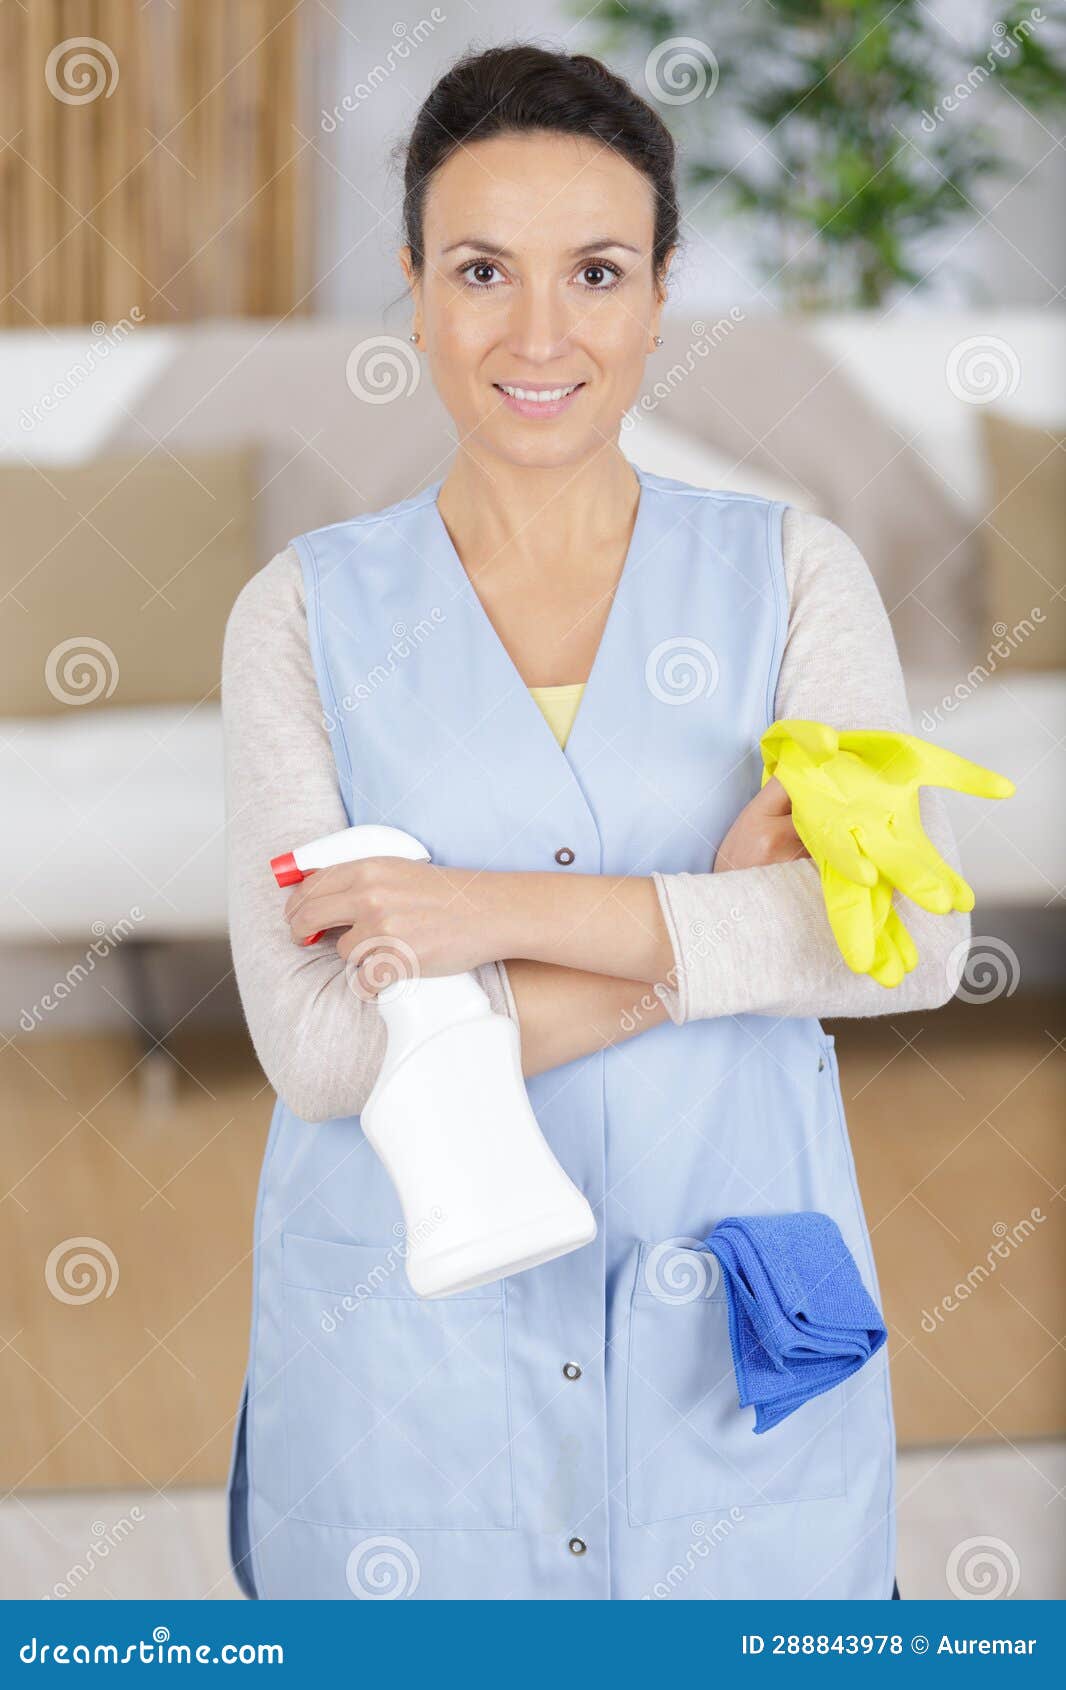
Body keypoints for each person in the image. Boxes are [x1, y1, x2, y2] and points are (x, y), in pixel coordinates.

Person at [221, 42, 966, 1600]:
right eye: (483, 269)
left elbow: (905, 940)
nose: (539, 333)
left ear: (660, 290)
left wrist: (473, 915)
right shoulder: (298, 616)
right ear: (416, 287)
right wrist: (705, 931)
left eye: (597, 271)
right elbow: (329, 1052)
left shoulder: (794, 578)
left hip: (725, 1349)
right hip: (411, 1379)